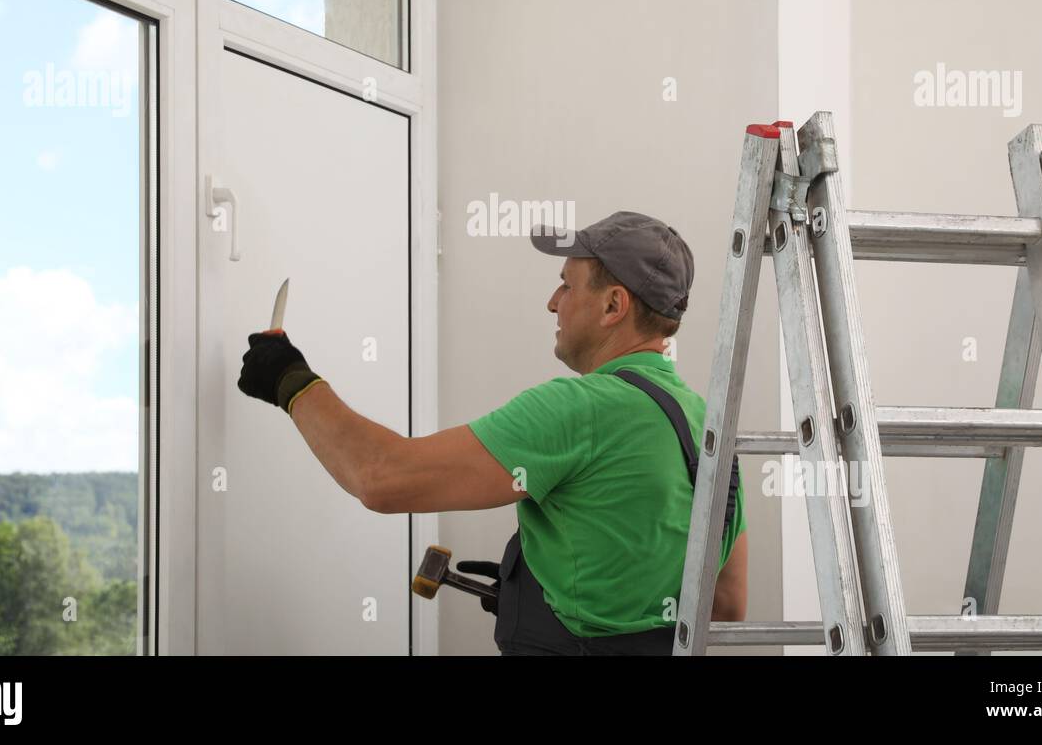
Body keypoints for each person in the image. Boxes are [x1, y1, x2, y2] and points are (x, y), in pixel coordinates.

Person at [237, 210, 747, 655]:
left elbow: (381, 476)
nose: (553, 302)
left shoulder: (579, 408)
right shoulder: (706, 425)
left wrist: (290, 380)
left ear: (614, 306)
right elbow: (726, 603)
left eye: (567, 284)